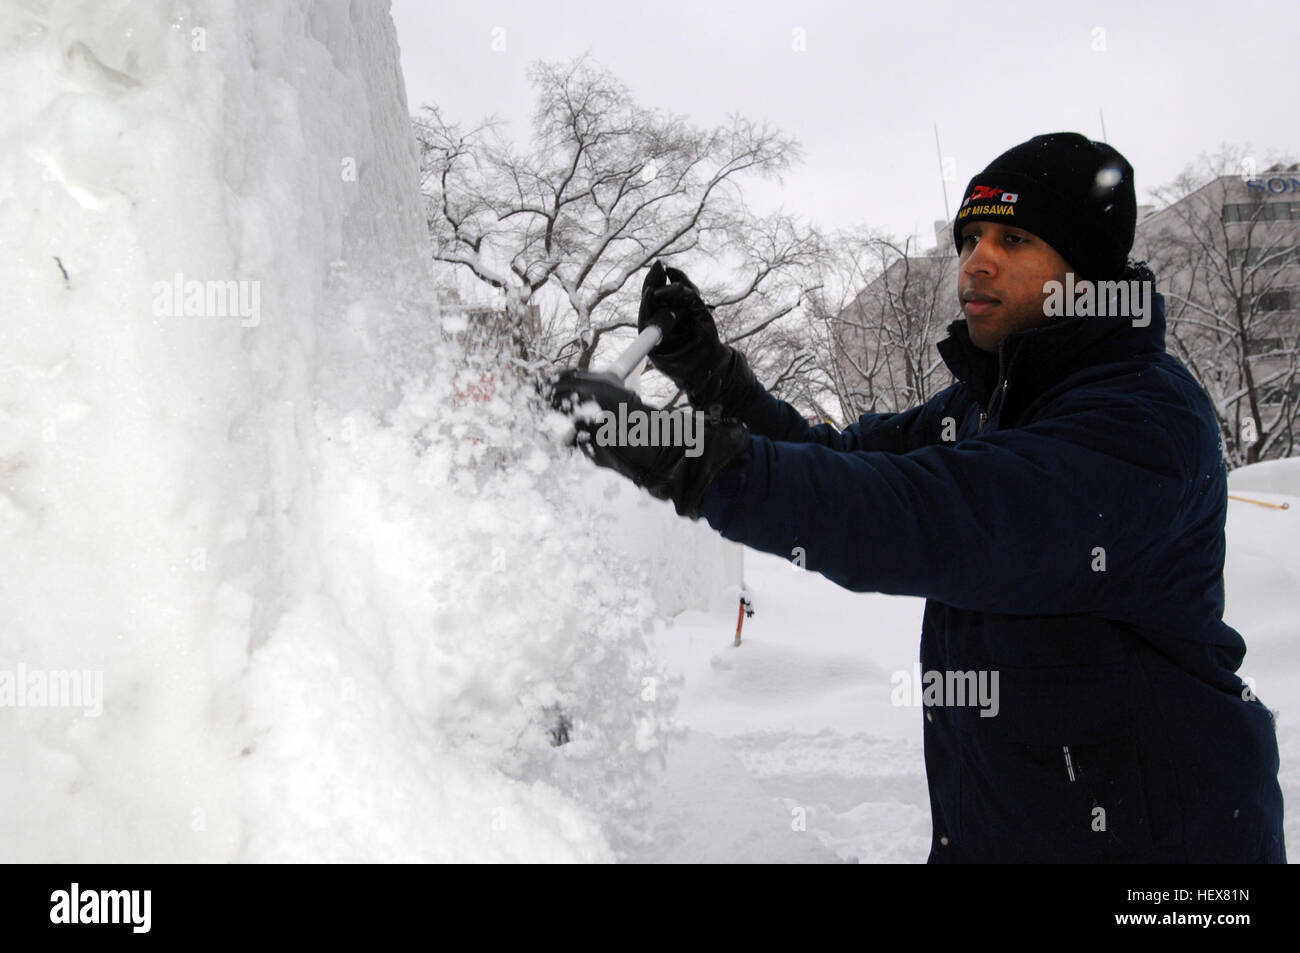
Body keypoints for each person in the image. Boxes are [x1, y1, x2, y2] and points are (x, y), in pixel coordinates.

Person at [549, 132, 1286, 863]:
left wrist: (689, 456)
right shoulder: (981, 405)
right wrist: (712, 377)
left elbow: (931, 512)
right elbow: (839, 459)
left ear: (1086, 270)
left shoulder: (1143, 419)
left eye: (1015, 237)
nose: (978, 260)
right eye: (970, 238)